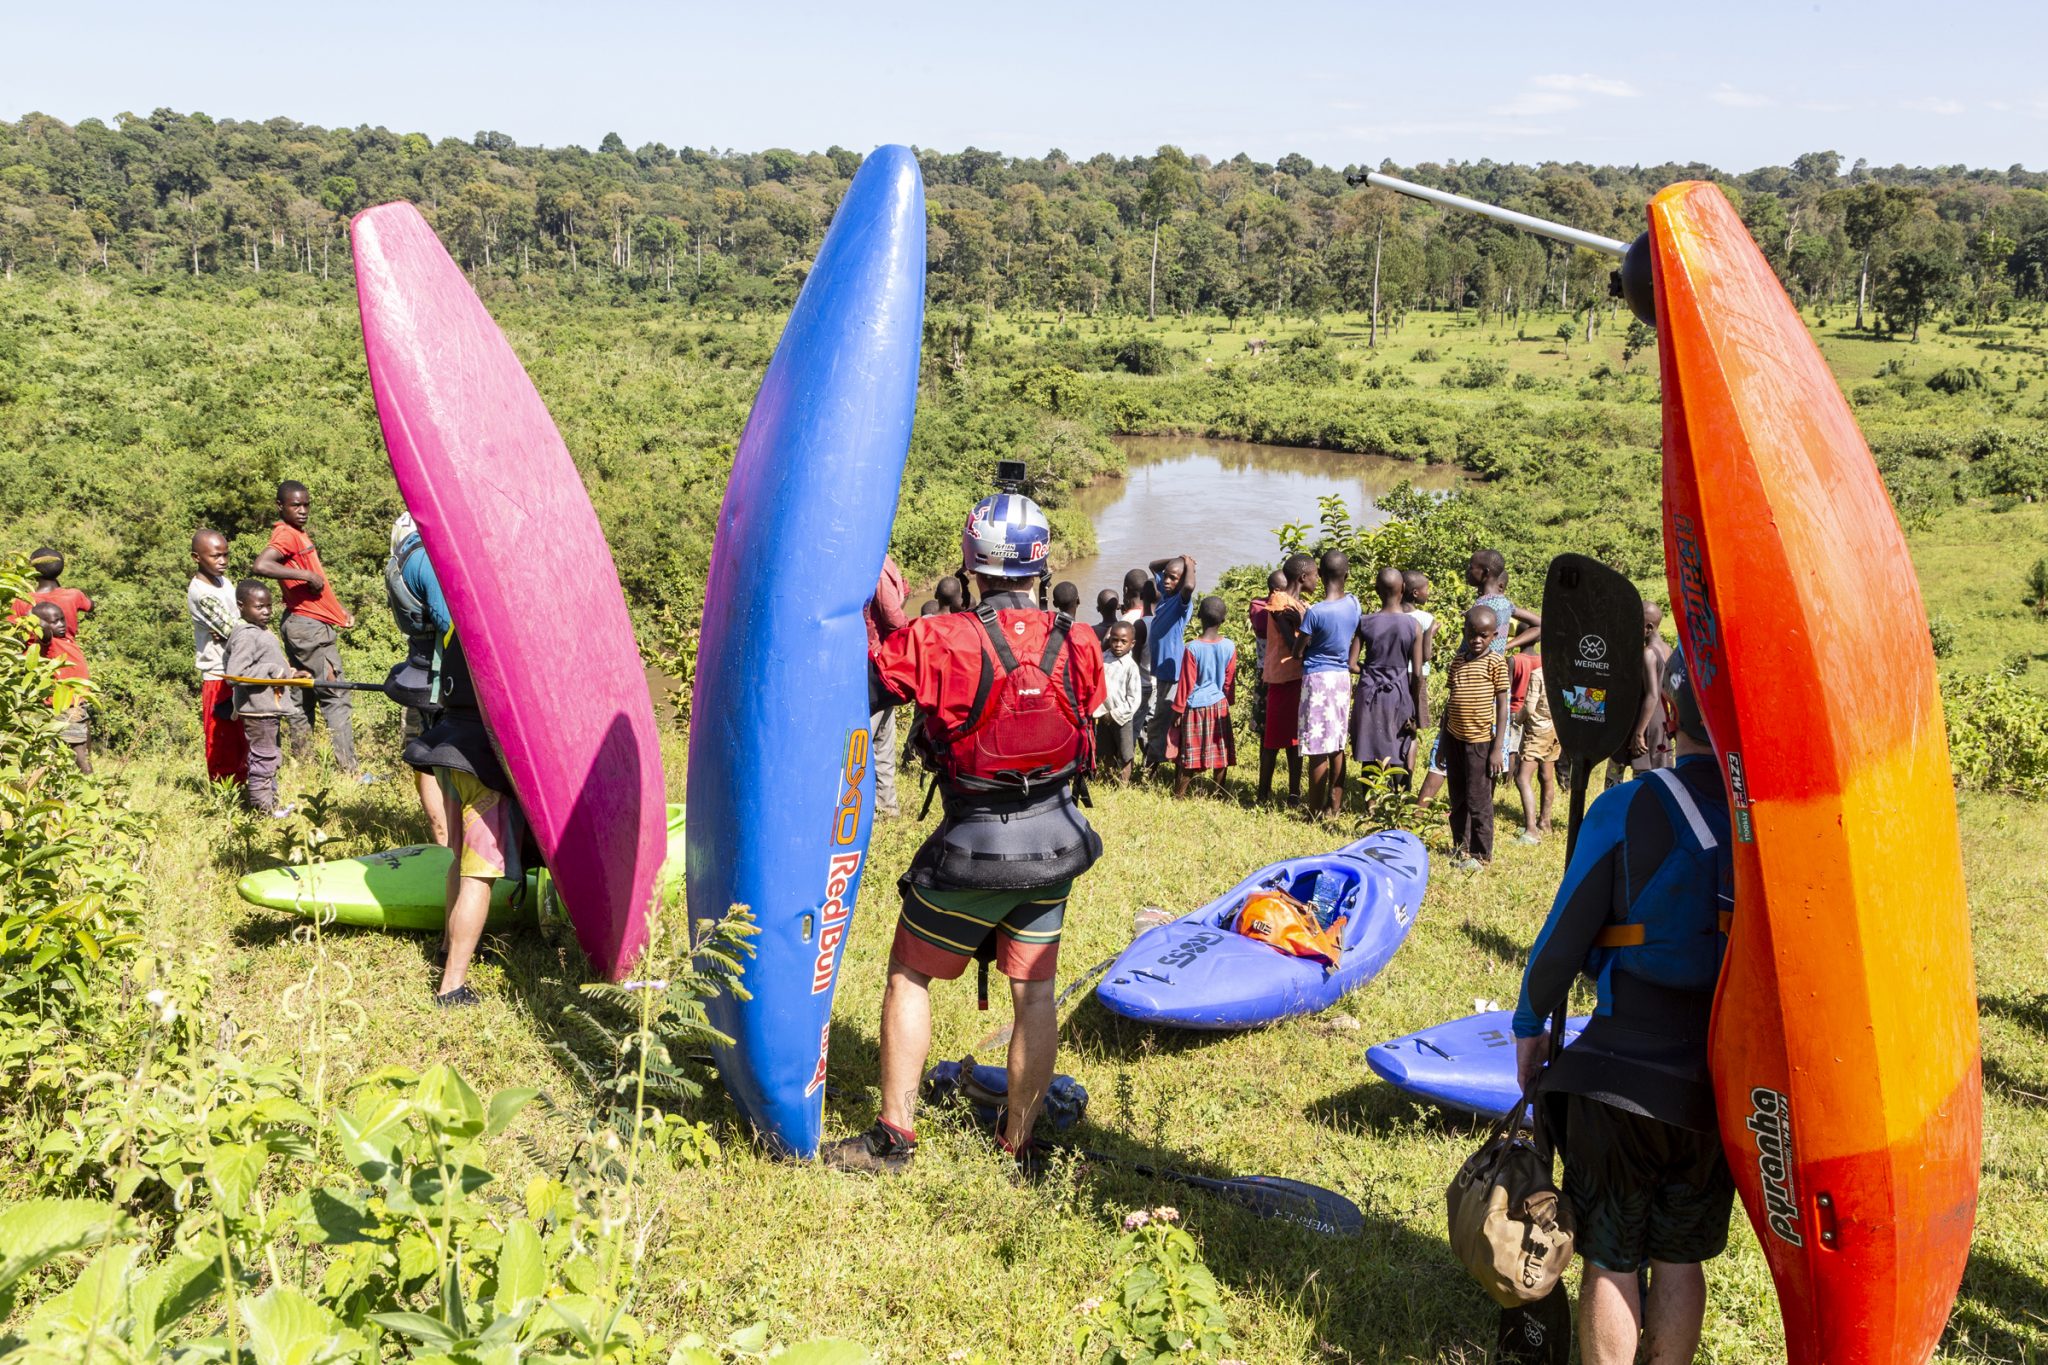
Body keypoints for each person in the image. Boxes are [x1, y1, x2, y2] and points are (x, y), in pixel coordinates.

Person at [827, 490, 1105, 1177]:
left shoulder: (939, 637)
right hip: (1056, 844)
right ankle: (1019, 1142)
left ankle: (894, 1139)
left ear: (971, 563)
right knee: (1035, 993)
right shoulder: (1081, 640)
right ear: (1040, 563)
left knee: (910, 974)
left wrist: (869, 612)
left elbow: (862, 688)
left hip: (974, 850)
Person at [1513, 651, 1734, 1365]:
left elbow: (1562, 942)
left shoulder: (1627, 805)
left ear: (1667, 714)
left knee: (1610, 1256)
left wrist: (1528, 1025)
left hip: (1618, 1079)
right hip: (1719, 1084)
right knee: (1679, 1255)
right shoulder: (1768, 822)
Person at [398, 545, 524, 1008]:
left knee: (460, 861)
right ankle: (452, 986)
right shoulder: (493, 629)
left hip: (448, 751)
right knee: (479, 874)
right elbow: (500, 704)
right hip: (477, 762)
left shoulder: (455, 625)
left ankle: (447, 947)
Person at [253, 480, 374, 782]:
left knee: (302, 696)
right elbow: (262, 565)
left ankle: (304, 768)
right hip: (309, 629)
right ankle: (350, 773)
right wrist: (304, 574)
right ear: (280, 506)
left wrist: (337, 610)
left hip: (301, 624)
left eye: (306, 504)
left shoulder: (297, 533)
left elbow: (318, 586)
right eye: (296, 505)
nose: (303, 510)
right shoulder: (285, 534)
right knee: (335, 695)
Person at [384, 514, 451, 846]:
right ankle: (449, 841)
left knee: (429, 753)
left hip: (422, 670)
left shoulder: (404, 552)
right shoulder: (424, 557)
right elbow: (449, 624)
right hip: (442, 679)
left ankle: (446, 839)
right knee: (441, 757)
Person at [223, 581, 305, 815]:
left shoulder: (260, 631)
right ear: (241, 606)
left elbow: (268, 665)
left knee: (270, 757)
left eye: (269, 606)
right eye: (259, 607)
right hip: (258, 711)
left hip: (268, 708)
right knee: (264, 760)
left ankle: (272, 804)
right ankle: (263, 811)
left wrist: (289, 674)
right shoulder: (247, 635)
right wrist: (271, 671)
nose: (267, 611)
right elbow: (235, 674)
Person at [1442, 604, 1510, 870]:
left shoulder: (1496, 662)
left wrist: (1497, 748)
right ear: (1464, 632)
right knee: (1458, 796)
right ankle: (1461, 846)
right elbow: (1450, 703)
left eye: (1484, 635)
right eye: (1472, 634)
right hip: (1454, 738)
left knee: (1478, 799)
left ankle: (1481, 853)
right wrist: (1442, 743)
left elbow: (1503, 706)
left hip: (1480, 741)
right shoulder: (1458, 662)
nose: (1477, 640)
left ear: (1494, 635)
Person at [1295, 549, 1362, 819]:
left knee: (1316, 748)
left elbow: (1299, 651)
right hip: (1341, 678)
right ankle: (1334, 807)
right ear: (1347, 574)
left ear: (1320, 575)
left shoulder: (1315, 612)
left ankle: (1312, 810)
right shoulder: (1354, 604)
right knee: (1336, 743)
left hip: (1317, 680)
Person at [1350, 566, 1428, 775]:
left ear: (1377, 590)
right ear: (1403, 589)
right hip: (1399, 692)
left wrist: (1370, 671)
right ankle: (1399, 793)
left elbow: (1351, 664)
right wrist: (1414, 706)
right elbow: (1417, 673)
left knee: (1369, 748)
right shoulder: (1413, 625)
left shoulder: (1365, 622)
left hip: (1369, 691)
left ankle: (1371, 796)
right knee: (1398, 745)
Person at [1249, 553, 1312, 804]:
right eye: (1315, 575)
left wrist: (1303, 623)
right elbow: (1292, 643)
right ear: (1303, 577)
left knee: (1294, 740)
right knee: (1273, 740)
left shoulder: (1298, 603)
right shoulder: (1279, 601)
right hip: (1282, 678)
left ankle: (1293, 794)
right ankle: (1263, 793)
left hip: (1296, 677)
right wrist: (1304, 626)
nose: (1317, 580)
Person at [188, 529, 247, 788]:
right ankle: (225, 795)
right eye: (215, 556)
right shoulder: (201, 593)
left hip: (237, 669)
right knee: (221, 742)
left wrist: (239, 629)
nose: (222, 561)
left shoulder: (224, 582)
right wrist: (238, 630)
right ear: (197, 557)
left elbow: (240, 625)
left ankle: (246, 792)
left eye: (225, 555)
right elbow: (237, 630)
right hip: (218, 674)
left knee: (242, 738)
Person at [1171, 596, 1237, 797]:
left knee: (1190, 753)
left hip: (1195, 707)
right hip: (1219, 704)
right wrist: (1228, 701)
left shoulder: (1192, 648)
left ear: (1198, 616)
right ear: (1223, 619)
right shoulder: (1229, 646)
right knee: (1220, 752)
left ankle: (1179, 794)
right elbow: (1229, 680)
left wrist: (1178, 710)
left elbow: (1186, 683)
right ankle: (1219, 792)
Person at [1609, 602, 1677, 787]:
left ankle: (1617, 804)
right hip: (1660, 723)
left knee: (1620, 778)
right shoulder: (1668, 650)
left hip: (1643, 722)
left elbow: (1652, 695)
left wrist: (1639, 733)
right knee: (1655, 778)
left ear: (1648, 627)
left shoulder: (1648, 654)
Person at [1141, 553, 1197, 774]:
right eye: (1166, 576)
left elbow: (1189, 586)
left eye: (1173, 578)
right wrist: (1177, 558)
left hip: (1171, 671)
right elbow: (1152, 564)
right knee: (1162, 717)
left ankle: (1153, 764)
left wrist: (1188, 565)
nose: (1166, 581)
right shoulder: (1166, 594)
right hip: (1163, 669)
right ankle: (1158, 759)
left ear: (1181, 581)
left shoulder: (1181, 603)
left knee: (1161, 718)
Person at [866, 553, 911, 819]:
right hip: (878, 661)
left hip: (875, 660)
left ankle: (880, 806)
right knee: (875, 738)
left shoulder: (871, 558)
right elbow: (893, 617)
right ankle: (883, 806)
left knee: (881, 734)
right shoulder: (879, 564)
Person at [28, 601, 92, 774]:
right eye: (54, 621)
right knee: (80, 752)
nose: (61, 624)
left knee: (65, 751)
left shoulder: (66, 639)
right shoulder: (49, 644)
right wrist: (31, 618)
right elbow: (44, 633)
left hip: (77, 703)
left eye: (62, 619)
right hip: (66, 706)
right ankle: (91, 783)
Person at [1511, 651, 1560, 842]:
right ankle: (1545, 822)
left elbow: (1529, 708)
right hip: (1555, 730)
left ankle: (1531, 830)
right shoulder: (1563, 674)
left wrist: (1517, 719)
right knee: (1546, 777)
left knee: (1522, 778)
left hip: (1537, 731)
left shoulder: (1538, 674)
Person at [1467, 548, 1542, 655]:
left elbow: (1469, 646)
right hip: (1495, 662)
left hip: (1476, 664)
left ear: (1485, 572)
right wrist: (1504, 647)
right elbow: (1540, 624)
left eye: (1471, 567)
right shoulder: (1505, 604)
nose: (1468, 571)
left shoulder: (1482, 606)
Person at [9, 546, 94, 638]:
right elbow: (91, 606)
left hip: (34, 647)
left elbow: (11, 629)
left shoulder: (22, 600)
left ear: (32, 571)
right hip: (67, 646)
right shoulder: (73, 595)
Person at [1094, 620, 1142, 783]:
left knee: (1125, 753)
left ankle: (1123, 783)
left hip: (1122, 718)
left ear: (1132, 644)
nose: (1118, 645)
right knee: (1106, 750)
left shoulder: (1130, 666)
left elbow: (1134, 699)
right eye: (1114, 640)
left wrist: (1115, 714)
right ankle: (1107, 779)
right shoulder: (1103, 658)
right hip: (1103, 714)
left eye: (1123, 641)